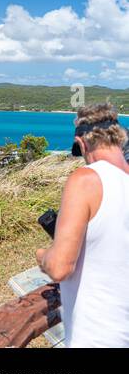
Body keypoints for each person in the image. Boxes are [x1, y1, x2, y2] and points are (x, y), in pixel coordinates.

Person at [38, 102, 129, 347]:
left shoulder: (86, 179)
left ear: (82, 143)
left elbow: (59, 268)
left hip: (98, 337)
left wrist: (43, 256)